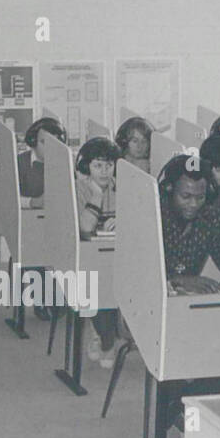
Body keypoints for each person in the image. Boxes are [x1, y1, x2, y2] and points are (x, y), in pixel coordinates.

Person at [159, 154, 220, 293]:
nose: (193, 204)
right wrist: (177, 280)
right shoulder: (154, 217)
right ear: (169, 190)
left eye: (200, 197)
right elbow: (138, 270)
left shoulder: (212, 218)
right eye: (185, 196)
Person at [74, 137, 121, 367]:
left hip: (117, 255)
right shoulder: (80, 189)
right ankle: (106, 339)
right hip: (86, 256)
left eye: (109, 165)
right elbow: (84, 228)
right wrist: (96, 196)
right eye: (97, 165)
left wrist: (122, 220)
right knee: (95, 282)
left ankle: (102, 335)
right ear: (87, 167)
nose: (104, 171)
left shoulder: (123, 187)